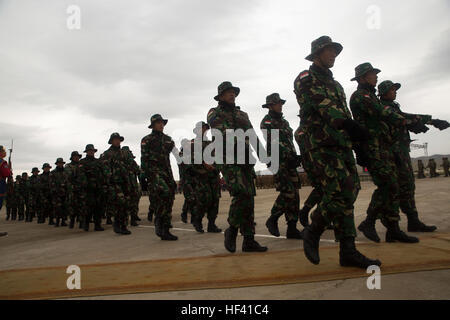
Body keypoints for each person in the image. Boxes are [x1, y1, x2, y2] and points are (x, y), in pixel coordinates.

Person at [293, 36, 380, 268]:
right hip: (321, 145)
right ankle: (314, 229)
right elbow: (322, 106)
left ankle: (348, 251)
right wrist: (348, 124)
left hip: (341, 144)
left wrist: (358, 145)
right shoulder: (305, 78)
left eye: (335, 51)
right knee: (337, 193)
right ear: (317, 54)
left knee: (350, 192)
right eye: (329, 51)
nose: (333, 55)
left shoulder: (336, 84)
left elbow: (344, 113)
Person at [350, 63, 419, 244]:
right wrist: (407, 122)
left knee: (392, 187)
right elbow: (383, 113)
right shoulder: (361, 96)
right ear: (363, 77)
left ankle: (393, 229)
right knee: (389, 185)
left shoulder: (370, 96)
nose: (376, 77)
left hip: (383, 148)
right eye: (373, 74)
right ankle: (369, 221)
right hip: (373, 149)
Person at [378, 80, 449, 231]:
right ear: (384, 92)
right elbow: (401, 119)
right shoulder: (383, 107)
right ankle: (390, 225)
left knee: (408, 186)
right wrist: (413, 123)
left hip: (401, 151)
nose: (395, 92)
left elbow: (407, 116)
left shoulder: (393, 107)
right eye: (392, 89)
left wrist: (432, 121)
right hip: (393, 153)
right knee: (395, 188)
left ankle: (412, 220)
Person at [207, 81, 268, 253]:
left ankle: (249, 240)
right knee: (241, 193)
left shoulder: (243, 114)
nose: (231, 94)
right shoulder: (214, 113)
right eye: (228, 92)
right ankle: (232, 229)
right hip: (227, 158)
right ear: (220, 96)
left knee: (249, 198)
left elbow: (252, 134)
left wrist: (262, 154)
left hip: (245, 159)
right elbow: (222, 132)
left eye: (233, 92)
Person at [261, 93, 302, 239]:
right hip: (278, 161)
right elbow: (274, 141)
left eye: (281, 103)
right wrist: (288, 155)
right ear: (270, 105)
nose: (281, 105)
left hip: (289, 161)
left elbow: (289, 142)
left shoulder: (285, 122)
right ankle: (272, 218)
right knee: (287, 193)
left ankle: (292, 227)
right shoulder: (266, 122)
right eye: (278, 103)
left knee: (295, 195)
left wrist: (295, 155)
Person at [141, 115, 178, 240]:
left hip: (167, 172)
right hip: (154, 172)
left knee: (169, 197)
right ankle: (159, 221)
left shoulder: (168, 139)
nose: (161, 125)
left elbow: (176, 154)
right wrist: (144, 177)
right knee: (163, 193)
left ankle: (165, 229)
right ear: (153, 125)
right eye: (158, 123)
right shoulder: (147, 139)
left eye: (162, 123)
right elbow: (144, 158)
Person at [187, 121, 222, 233]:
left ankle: (211, 224)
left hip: (213, 175)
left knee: (215, 200)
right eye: (202, 128)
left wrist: (217, 167)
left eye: (205, 128)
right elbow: (192, 159)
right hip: (201, 176)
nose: (204, 130)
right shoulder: (193, 143)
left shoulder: (210, 143)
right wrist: (204, 165)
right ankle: (197, 220)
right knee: (203, 200)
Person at [101, 133, 132, 235]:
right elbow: (105, 169)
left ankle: (123, 225)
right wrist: (110, 180)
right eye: (115, 140)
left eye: (119, 139)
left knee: (126, 204)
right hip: (115, 183)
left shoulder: (123, 153)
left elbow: (129, 166)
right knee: (119, 204)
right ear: (111, 141)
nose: (117, 141)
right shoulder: (107, 154)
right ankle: (117, 225)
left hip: (125, 182)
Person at [79, 144, 105, 231]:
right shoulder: (82, 162)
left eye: (92, 150)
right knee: (88, 207)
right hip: (88, 188)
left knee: (98, 207)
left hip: (98, 187)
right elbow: (81, 175)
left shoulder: (98, 162)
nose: (91, 152)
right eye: (89, 150)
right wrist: (85, 184)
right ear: (86, 152)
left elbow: (102, 173)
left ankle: (97, 225)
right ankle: (86, 224)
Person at [65, 151, 88, 229]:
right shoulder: (68, 166)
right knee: (72, 206)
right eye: (75, 156)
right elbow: (70, 175)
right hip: (72, 188)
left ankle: (82, 222)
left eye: (78, 156)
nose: (76, 158)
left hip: (82, 188)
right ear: (72, 157)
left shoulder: (82, 165)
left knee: (82, 206)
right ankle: (72, 221)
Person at [122, 146, 141, 227]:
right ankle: (131, 220)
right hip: (127, 185)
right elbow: (138, 171)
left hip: (130, 185)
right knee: (130, 203)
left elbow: (138, 171)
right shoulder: (122, 161)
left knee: (132, 203)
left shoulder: (130, 161)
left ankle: (131, 219)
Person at [50, 158, 71, 227]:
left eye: (61, 163)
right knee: (57, 208)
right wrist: (57, 188)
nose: (60, 164)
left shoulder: (66, 172)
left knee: (65, 207)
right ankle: (57, 221)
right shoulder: (53, 172)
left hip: (65, 192)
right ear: (57, 164)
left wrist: (66, 187)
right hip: (57, 193)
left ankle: (63, 221)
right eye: (59, 163)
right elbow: (51, 183)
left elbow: (69, 180)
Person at [0, 145, 12, 237]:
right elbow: (6, 173)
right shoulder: (2, 162)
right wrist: (9, 168)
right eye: (3, 151)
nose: (5, 152)